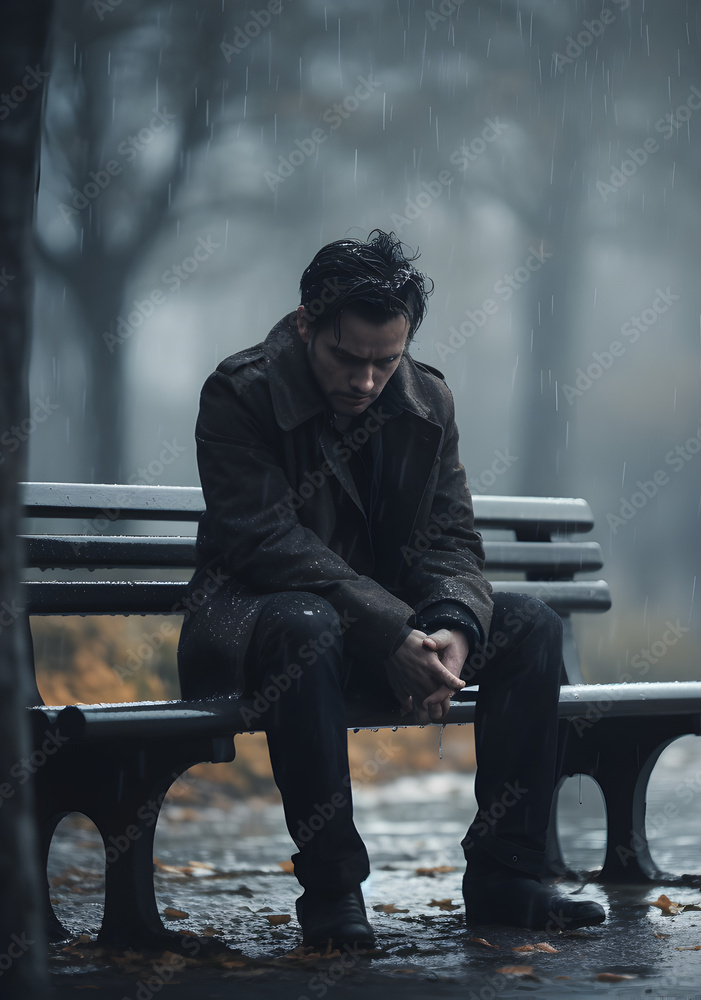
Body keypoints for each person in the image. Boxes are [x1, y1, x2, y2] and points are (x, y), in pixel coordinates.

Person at [177, 230, 605, 949]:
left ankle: (508, 876)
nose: (366, 380)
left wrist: (451, 632)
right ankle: (333, 890)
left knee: (531, 625)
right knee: (306, 621)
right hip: (253, 630)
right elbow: (262, 542)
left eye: (386, 360)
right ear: (307, 321)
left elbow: (450, 539)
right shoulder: (240, 392)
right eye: (347, 358)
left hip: (380, 634)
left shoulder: (427, 401)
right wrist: (390, 632)